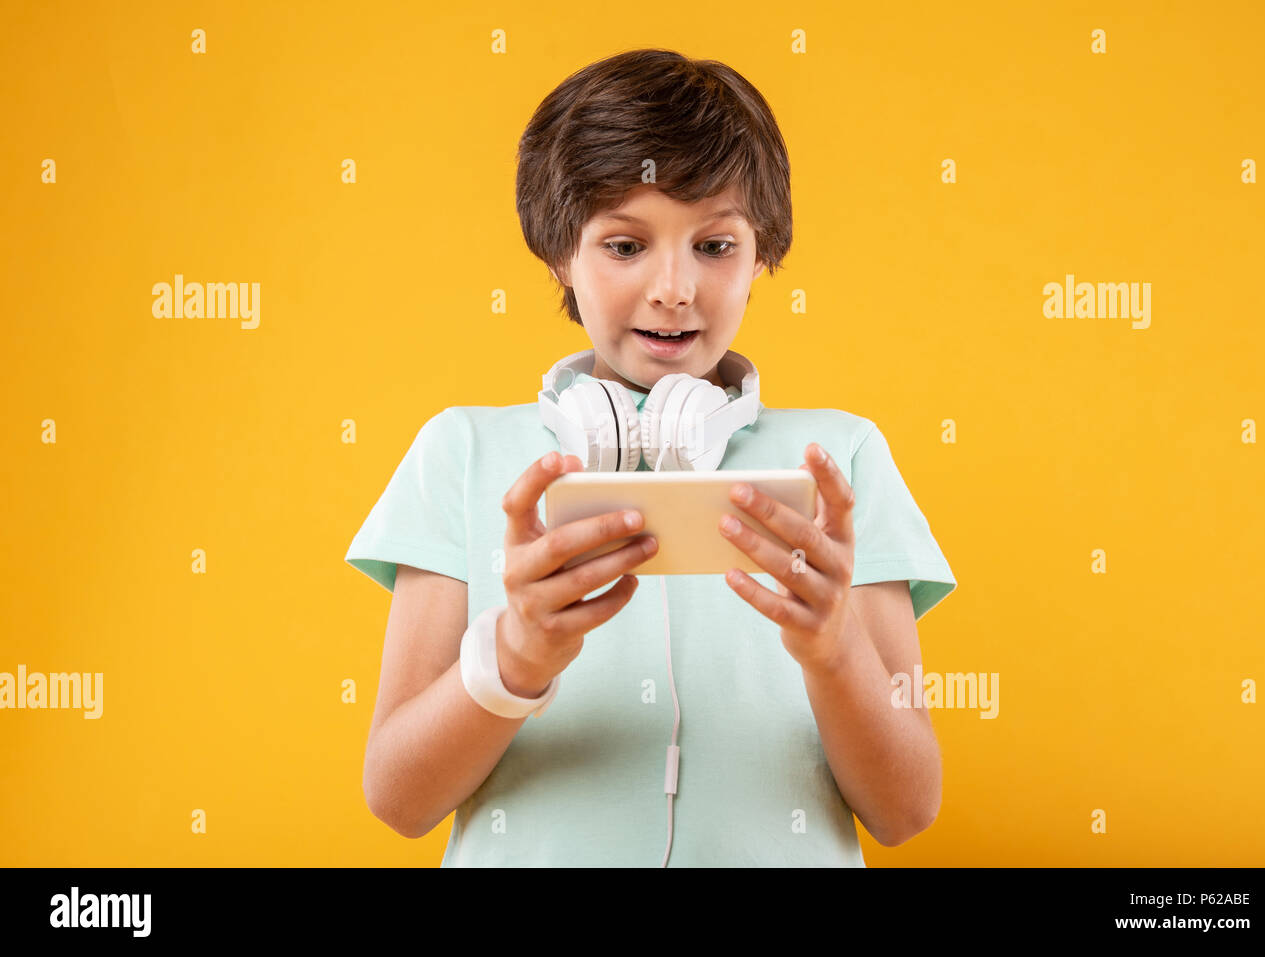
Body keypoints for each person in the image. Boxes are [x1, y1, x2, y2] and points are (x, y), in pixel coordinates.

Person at [345, 48, 957, 867]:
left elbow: (908, 806)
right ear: (560, 252)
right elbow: (398, 796)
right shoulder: (461, 452)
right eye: (626, 246)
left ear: (763, 252)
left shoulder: (838, 458)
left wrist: (834, 646)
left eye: (715, 245)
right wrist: (513, 660)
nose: (675, 288)